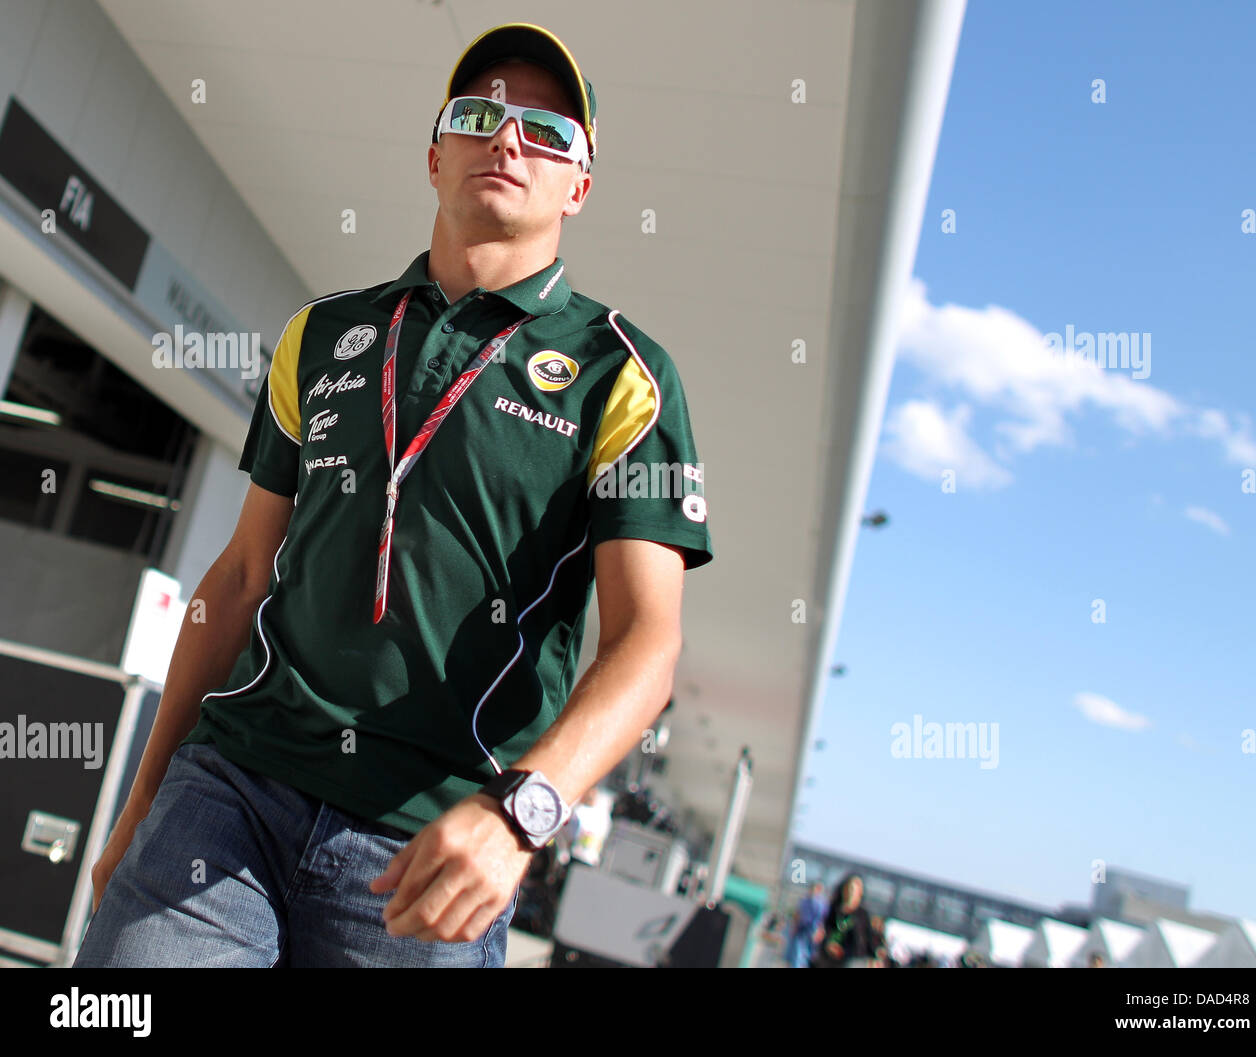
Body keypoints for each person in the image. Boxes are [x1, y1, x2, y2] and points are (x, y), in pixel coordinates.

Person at [73, 22, 712, 968]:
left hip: (432, 850)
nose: (507, 139)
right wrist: (141, 802)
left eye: (547, 131)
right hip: (232, 791)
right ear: (434, 154)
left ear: (579, 186)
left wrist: (520, 816)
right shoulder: (321, 334)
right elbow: (243, 574)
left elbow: (645, 647)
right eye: (480, 114)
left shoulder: (622, 376)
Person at [813, 874, 874, 967]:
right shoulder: (833, 909)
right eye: (849, 888)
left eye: (854, 889)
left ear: (860, 893)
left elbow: (868, 940)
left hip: (852, 960)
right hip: (829, 958)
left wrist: (876, 955)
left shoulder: (862, 915)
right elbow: (825, 929)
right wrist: (829, 944)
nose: (851, 892)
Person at [785, 881, 828, 968]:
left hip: (813, 930)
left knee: (810, 955)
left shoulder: (822, 904)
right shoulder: (804, 901)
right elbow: (798, 914)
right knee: (797, 952)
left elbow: (823, 919)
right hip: (802, 929)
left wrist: (820, 931)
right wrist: (794, 927)